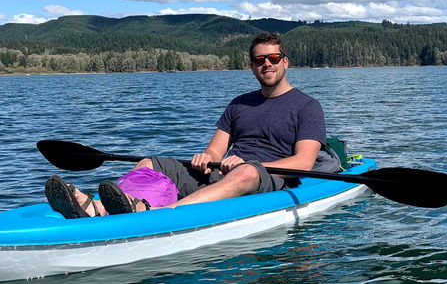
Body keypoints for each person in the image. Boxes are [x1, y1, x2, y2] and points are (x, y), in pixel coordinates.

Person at [44, 32, 335, 218]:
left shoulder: (307, 106)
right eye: (259, 60)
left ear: (285, 62)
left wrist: (249, 164)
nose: (266, 64)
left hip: (266, 177)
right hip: (224, 173)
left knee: (246, 171)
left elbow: (303, 162)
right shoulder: (239, 104)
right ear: (252, 66)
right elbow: (215, 151)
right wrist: (207, 158)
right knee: (151, 163)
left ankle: (166, 214)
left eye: (273, 58)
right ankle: (100, 207)